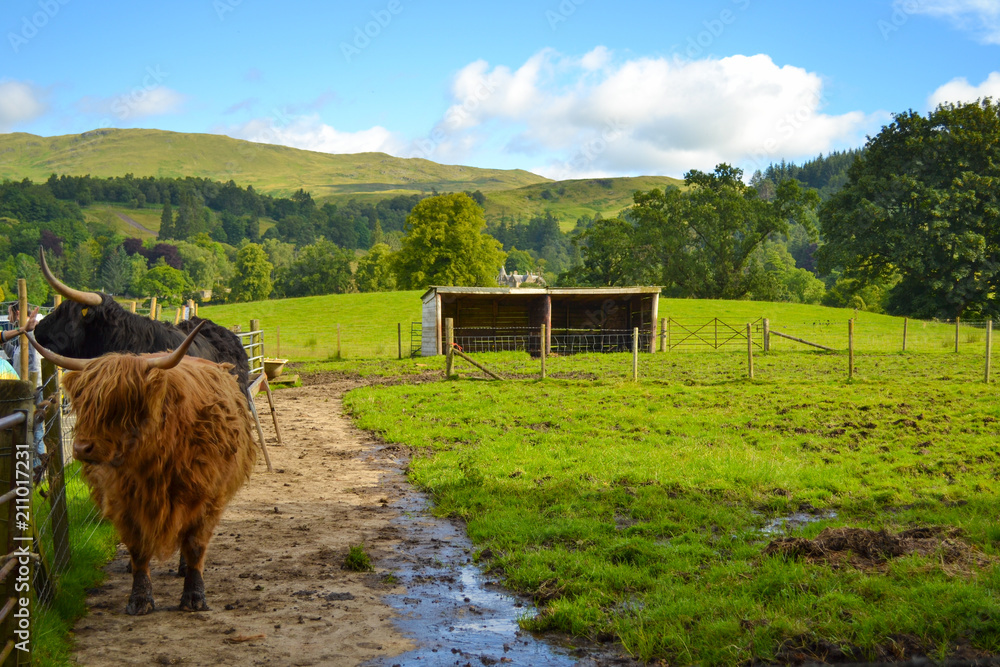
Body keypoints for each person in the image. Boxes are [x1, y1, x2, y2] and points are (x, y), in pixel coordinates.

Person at [2, 304, 44, 471]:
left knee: (35, 428)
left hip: (32, 387)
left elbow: (31, 362)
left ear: (17, 313)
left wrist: (29, 384)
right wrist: (3, 342)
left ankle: (36, 467)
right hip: (25, 386)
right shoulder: (22, 333)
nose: (7, 317)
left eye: (9, 313)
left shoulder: (30, 331)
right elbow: (15, 355)